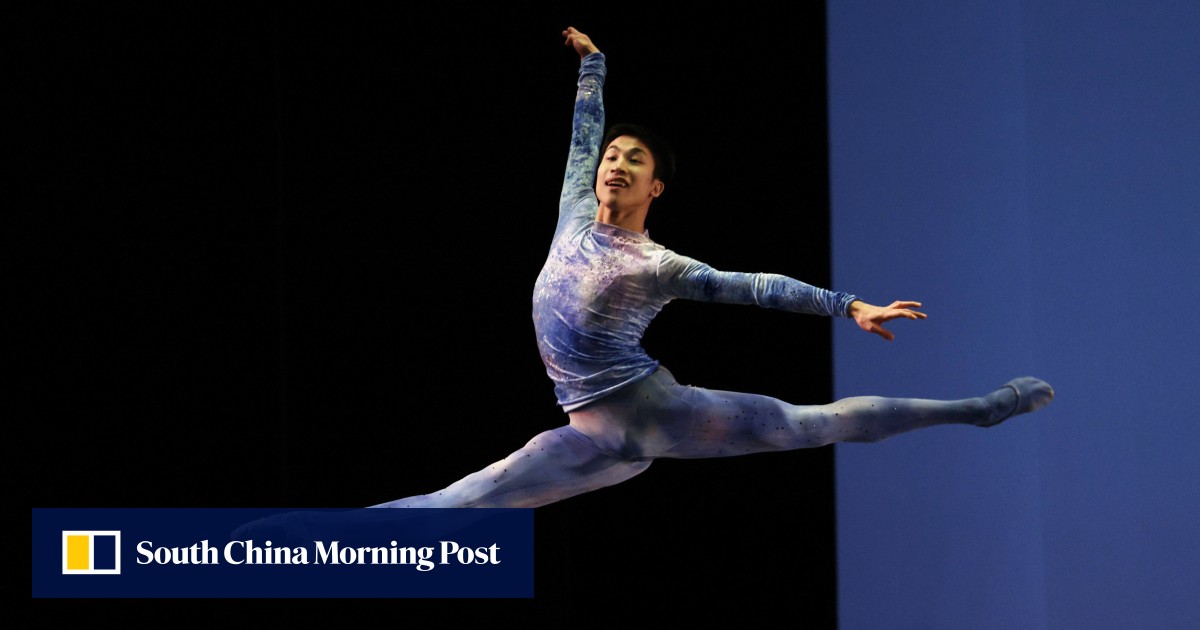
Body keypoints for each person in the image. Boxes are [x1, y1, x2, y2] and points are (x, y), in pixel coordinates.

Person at [369, 27, 1053, 510]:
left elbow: (756, 289)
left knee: (813, 424)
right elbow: (583, 135)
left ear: (654, 189)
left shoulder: (658, 265)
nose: (615, 162)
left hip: (661, 414)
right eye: (615, 155)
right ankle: (288, 551)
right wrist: (594, 66)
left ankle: (983, 409)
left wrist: (850, 305)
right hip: (588, 436)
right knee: (451, 504)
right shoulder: (573, 213)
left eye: (635, 160)